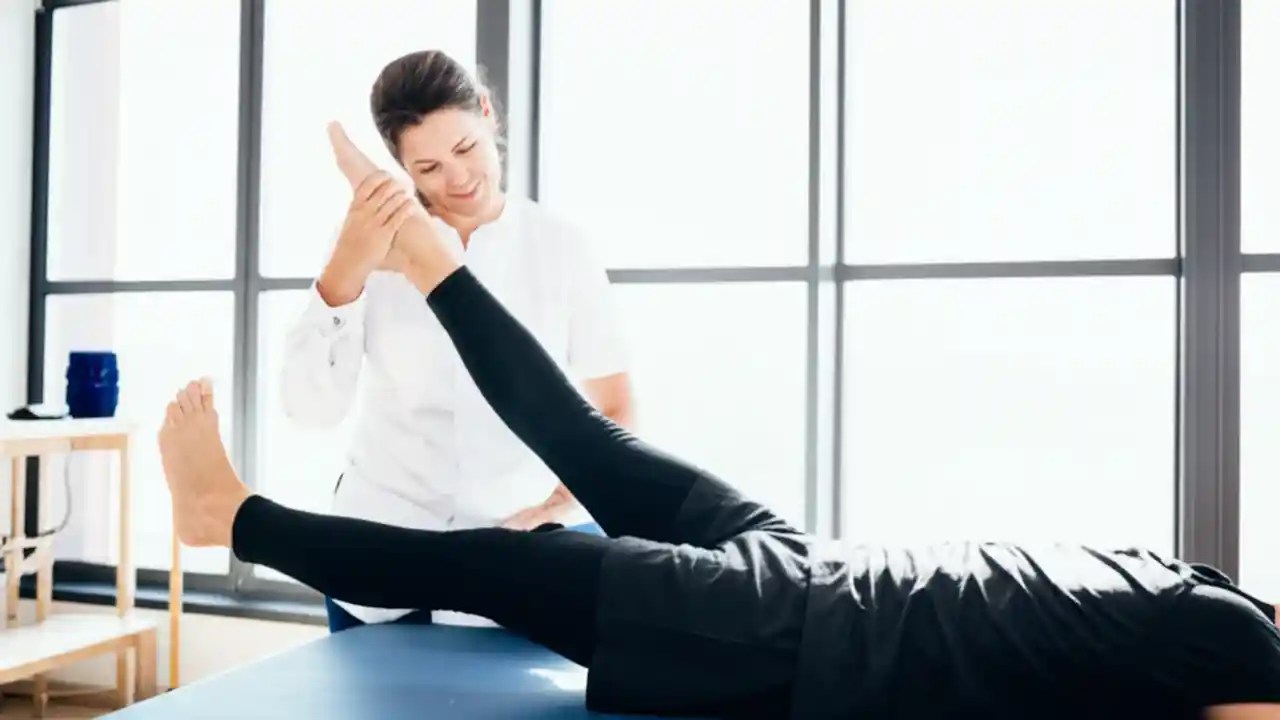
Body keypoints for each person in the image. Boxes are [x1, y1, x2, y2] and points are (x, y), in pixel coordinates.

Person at [156, 129, 1280, 720]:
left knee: (506, 569)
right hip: (824, 567)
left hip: (816, 643)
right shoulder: (1228, 605)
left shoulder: (1248, 651)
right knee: (587, 442)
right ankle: (430, 259)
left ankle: (234, 517)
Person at [279, 50, 634, 631]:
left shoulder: (560, 246)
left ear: (488, 113)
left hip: (515, 556)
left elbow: (616, 407)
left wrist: (553, 509)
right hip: (381, 548)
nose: (459, 178)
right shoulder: (369, 243)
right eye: (428, 168)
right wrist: (346, 265)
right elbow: (310, 410)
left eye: (465, 149)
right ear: (401, 167)